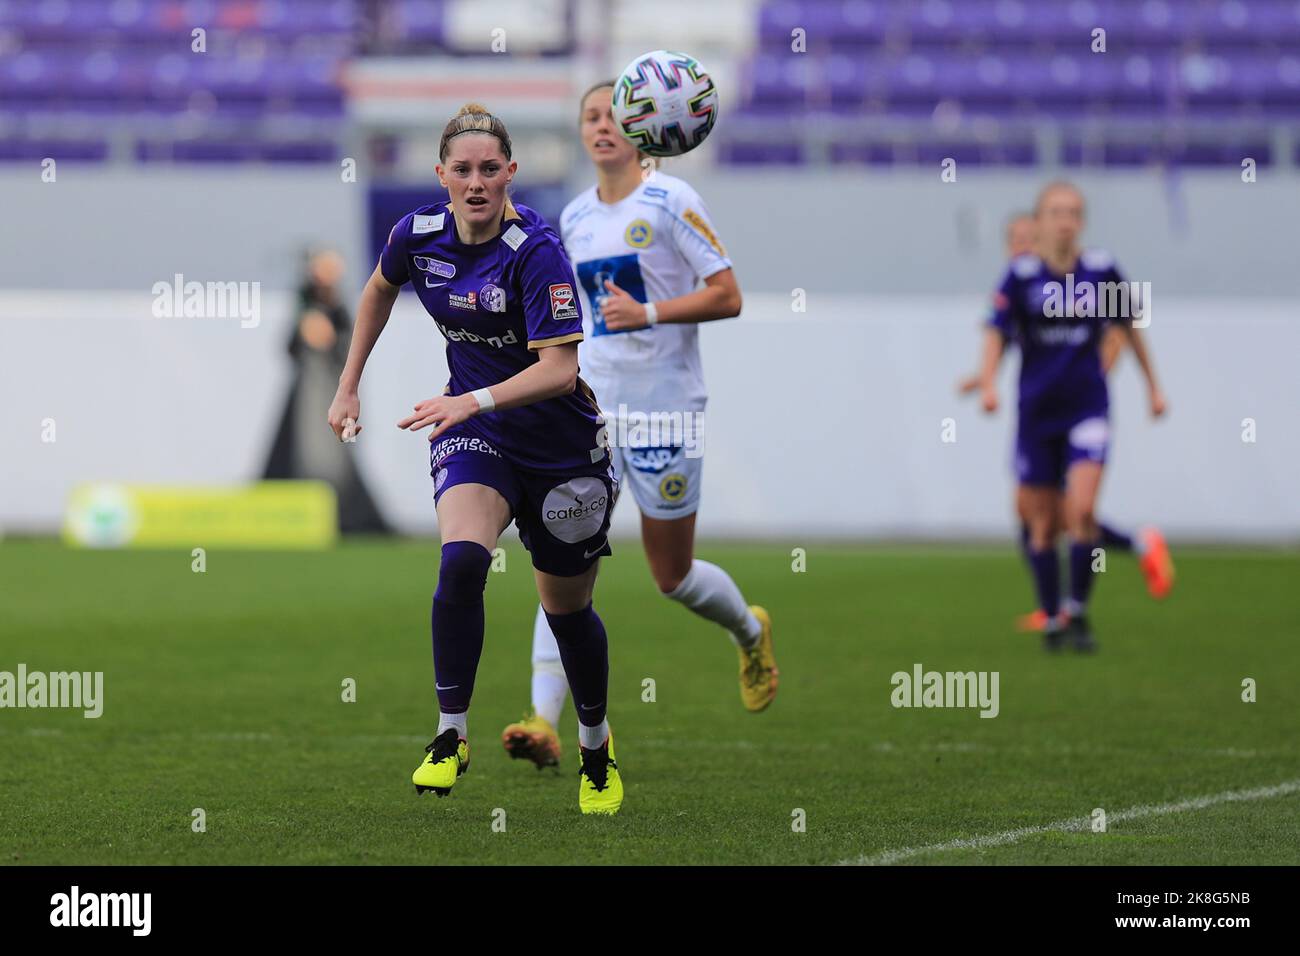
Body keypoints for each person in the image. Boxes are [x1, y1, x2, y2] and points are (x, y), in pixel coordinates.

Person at [327, 103, 623, 814]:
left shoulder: (536, 249)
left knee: (567, 613)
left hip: (560, 449)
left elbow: (558, 369)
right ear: (441, 175)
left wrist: (473, 398)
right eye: (462, 169)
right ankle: (450, 735)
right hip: (480, 438)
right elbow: (376, 289)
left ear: (511, 173)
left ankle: (595, 746)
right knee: (461, 561)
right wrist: (347, 386)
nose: (476, 181)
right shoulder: (418, 235)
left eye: (490, 168)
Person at [500, 80, 777, 770]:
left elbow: (728, 295)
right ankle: (544, 718)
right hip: (590, 410)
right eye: (589, 117)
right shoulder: (573, 218)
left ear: (646, 129)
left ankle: (748, 632)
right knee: (563, 554)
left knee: (671, 575)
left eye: (613, 116)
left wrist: (648, 314)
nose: (600, 127)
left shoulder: (673, 200)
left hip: (665, 408)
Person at [959, 214, 1175, 632]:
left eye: (1028, 238)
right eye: (1015, 241)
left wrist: (1092, 381)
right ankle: (1063, 600)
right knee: (1036, 512)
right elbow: (1004, 342)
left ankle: (1069, 604)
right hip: (1039, 414)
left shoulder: (1081, 279)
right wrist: (981, 381)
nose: (1023, 247)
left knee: (1068, 513)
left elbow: (1116, 333)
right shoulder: (1020, 286)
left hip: (1076, 412)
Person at [263, 248, 389, 533]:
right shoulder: (305, 304)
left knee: (334, 455)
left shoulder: (338, 307)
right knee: (307, 451)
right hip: (309, 397)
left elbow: (344, 346)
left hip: (331, 392)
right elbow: (291, 348)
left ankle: (341, 518)